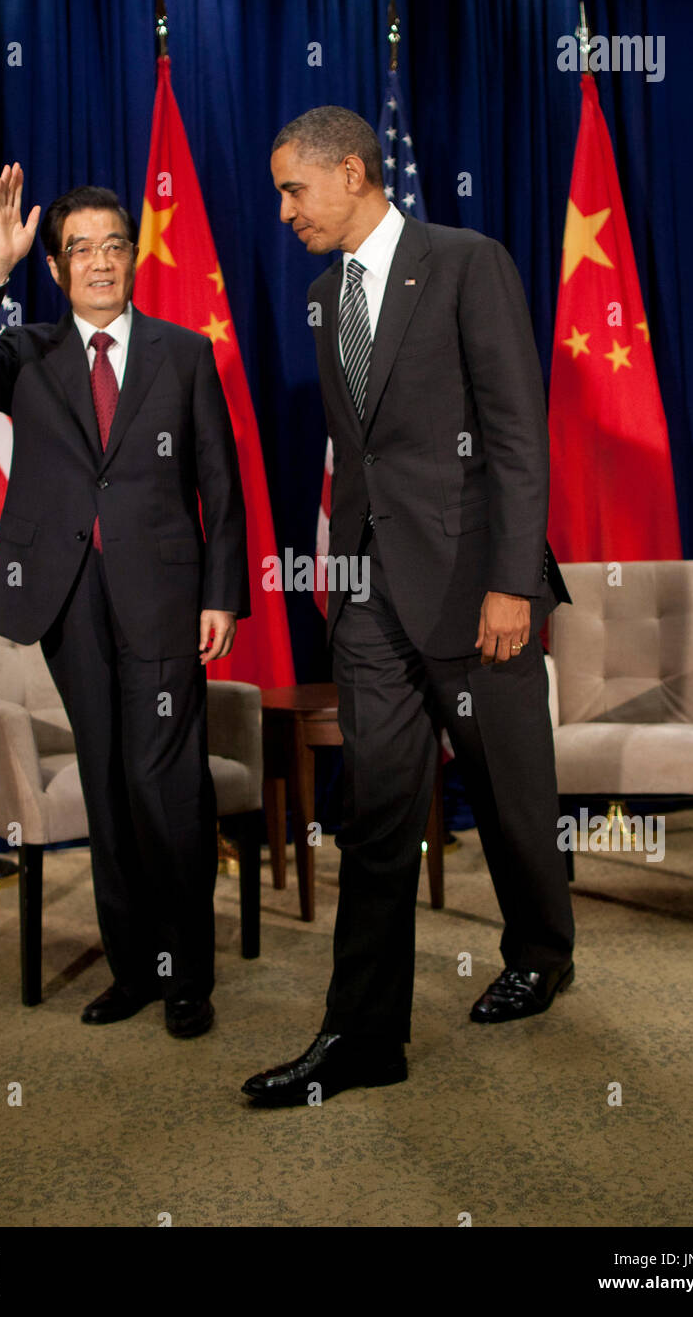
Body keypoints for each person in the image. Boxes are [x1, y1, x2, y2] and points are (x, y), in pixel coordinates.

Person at [242, 107, 574, 1105]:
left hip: (479, 593)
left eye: (294, 189)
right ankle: (362, 1035)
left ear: (351, 171)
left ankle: (542, 952)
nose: (286, 211)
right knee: (377, 811)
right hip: (372, 599)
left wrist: (512, 582)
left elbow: (516, 435)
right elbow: (363, 460)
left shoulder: (467, 262)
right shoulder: (318, 294)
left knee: (511, 796)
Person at [0, 164, 249, 1037]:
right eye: (82, 250)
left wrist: (223, 595)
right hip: (66, 603)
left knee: (164, 784)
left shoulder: (184, 353)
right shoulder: (25, 354)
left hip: (164, 602)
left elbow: (219, 485)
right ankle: (136, 968)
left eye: (115, 246)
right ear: (58, 268)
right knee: (108, 785)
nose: (101, 263)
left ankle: (189, 978)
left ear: (132, 258)